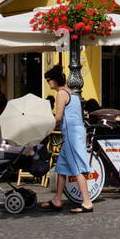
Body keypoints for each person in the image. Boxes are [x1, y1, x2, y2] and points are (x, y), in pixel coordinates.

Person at [41, 64, 93, 213]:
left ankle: (87, 202)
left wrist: (46, 124)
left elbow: (58, 118)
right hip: (75, 132)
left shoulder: (61, 94)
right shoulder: (72, 92)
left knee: (76, 167)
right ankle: (57, 200)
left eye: (49, 80)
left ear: (54, 81)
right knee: (62, 167)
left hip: (71, 135)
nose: (48, 82)